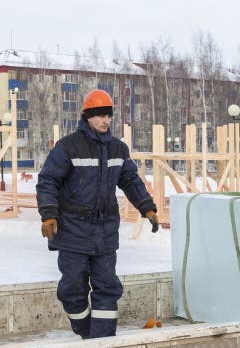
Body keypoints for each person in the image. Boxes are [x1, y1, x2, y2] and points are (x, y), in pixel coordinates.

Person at [36, 89, 159, 339]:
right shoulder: (68, 147)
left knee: (108, 288)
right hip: (72, 232)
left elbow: (130, 180)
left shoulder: (118, 148)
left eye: (108, 116)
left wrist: (147, 206)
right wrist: (49, 213)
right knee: (72, 288)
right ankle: (87, 334)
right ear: (87, 117)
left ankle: (103, 341)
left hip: (104, 233)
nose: (105, 121)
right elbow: (48, 180)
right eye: (100, 116)